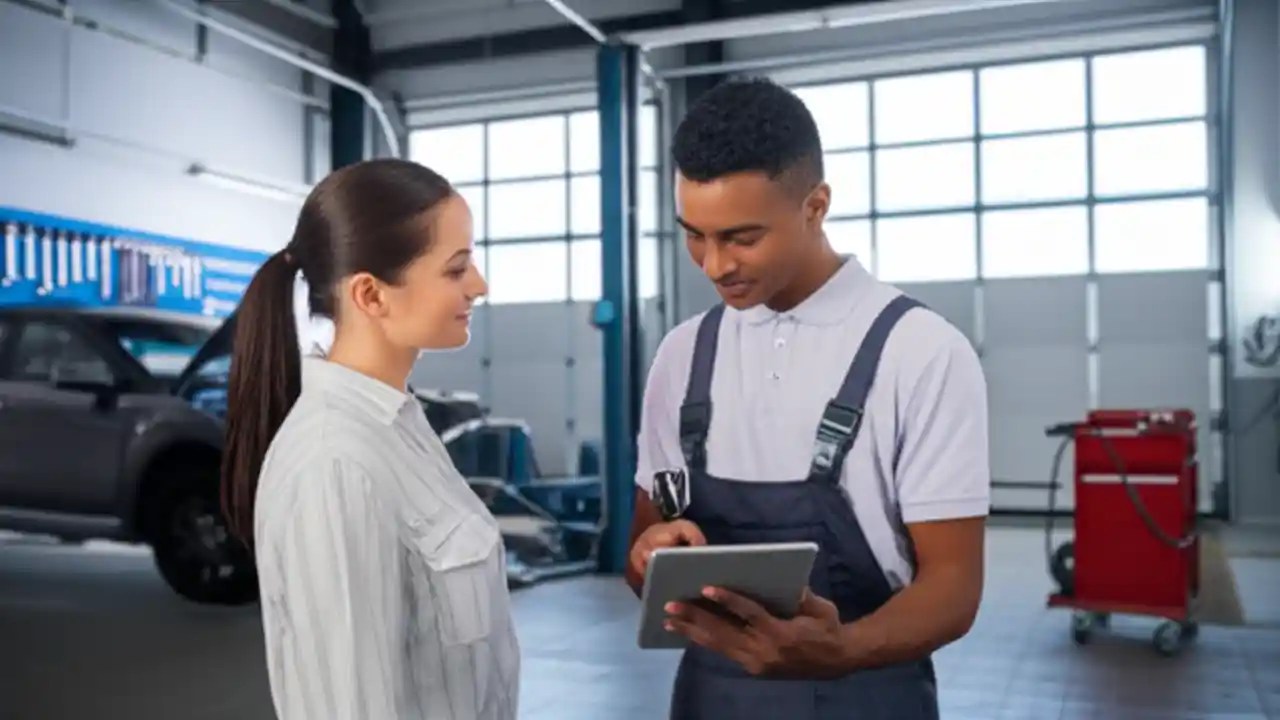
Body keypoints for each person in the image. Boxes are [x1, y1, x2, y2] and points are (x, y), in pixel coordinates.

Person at [626, 78, 989, 719]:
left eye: (742, 237)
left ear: (816, 205)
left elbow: (954, 588)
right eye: (694, 235)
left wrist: (842, 648)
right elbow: (641, 557)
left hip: (867, 692)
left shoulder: (922, 352)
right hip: (711, 697)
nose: (714, 266)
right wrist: (653, 554)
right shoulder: (682, 357)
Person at [220, 159, 519, 720]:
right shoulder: (336, 465)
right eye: (456, 270)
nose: (478, 285)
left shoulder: (398, 425)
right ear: (372, 295)